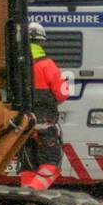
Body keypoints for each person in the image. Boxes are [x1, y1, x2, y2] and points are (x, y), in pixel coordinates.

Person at [20, 22, 69, 190]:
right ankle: (34, 192)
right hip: (45, 123)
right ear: (42, 42)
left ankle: (25, 198)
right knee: (51, 163)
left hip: (22, 126)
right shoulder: (48, 65)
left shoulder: (15, 65)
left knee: (28, 166)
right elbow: (62, 94)